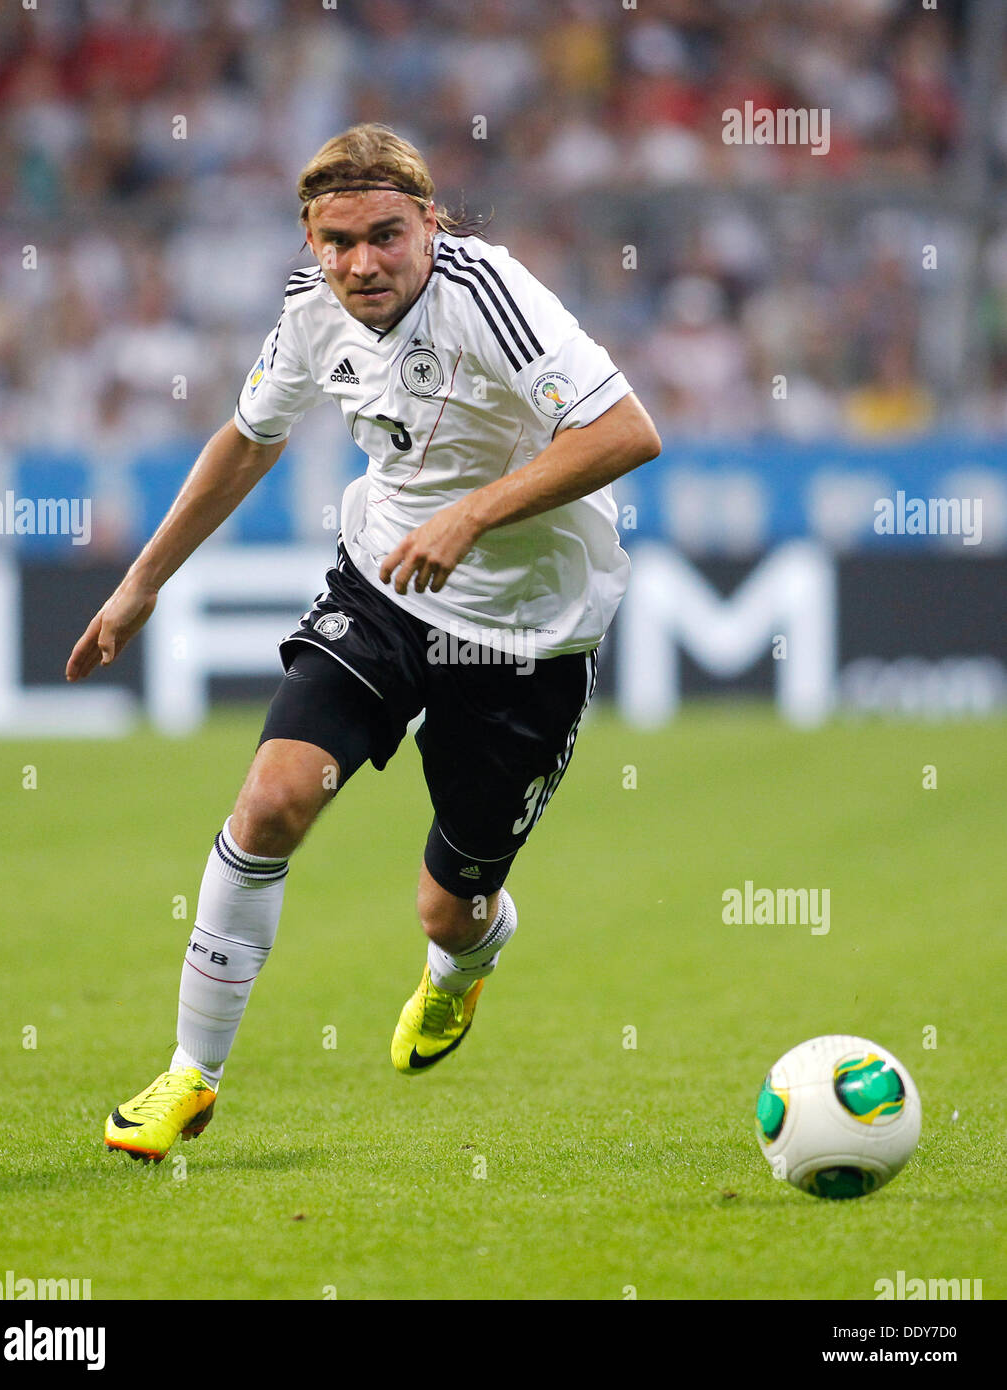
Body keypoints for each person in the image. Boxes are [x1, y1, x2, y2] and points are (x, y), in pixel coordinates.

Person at [66, 123, 661, 1161]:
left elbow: (625, 433)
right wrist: (139, 584)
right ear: (309, 240)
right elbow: (249, 442)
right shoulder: (310, 311)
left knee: (448, 907)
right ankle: (191, 1076)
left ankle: (465, 965)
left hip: (527, 632)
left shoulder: (492, 295)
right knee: (271, 801)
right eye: (335, 241)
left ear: (430, 221)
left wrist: (474, 514)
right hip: (384, 585)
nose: (360, 263)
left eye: (385, 234)